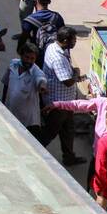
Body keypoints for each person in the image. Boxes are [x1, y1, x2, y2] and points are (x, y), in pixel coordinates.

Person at [37, 26, 85, 166]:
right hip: (58, 103)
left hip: (66, 102)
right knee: (50, 132)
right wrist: (76, 73)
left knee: (68, 130)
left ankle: (69, 156)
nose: (75, 42)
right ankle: (35, 152)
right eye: (74, 40)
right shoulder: (58, 57)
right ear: (64, 40)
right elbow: (68, 81)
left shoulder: (54, 47)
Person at [1, 40, 48, 137]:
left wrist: (42, 87)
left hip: (29, 122)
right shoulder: (12, 65)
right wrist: (2, 104)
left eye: (32, 59)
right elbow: (6, 84)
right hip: (10, 114)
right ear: (21, 55)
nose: (29, 61)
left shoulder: (36, 71)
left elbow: (41, 79)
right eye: (27, 57)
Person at [21, 0, 65, 65]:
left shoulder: (29, 21)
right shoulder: (57, 17)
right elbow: (64, 38)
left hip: (36, 60)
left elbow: (22, 44)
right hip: (53, 57)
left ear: (36, 0)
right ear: (49, 2)